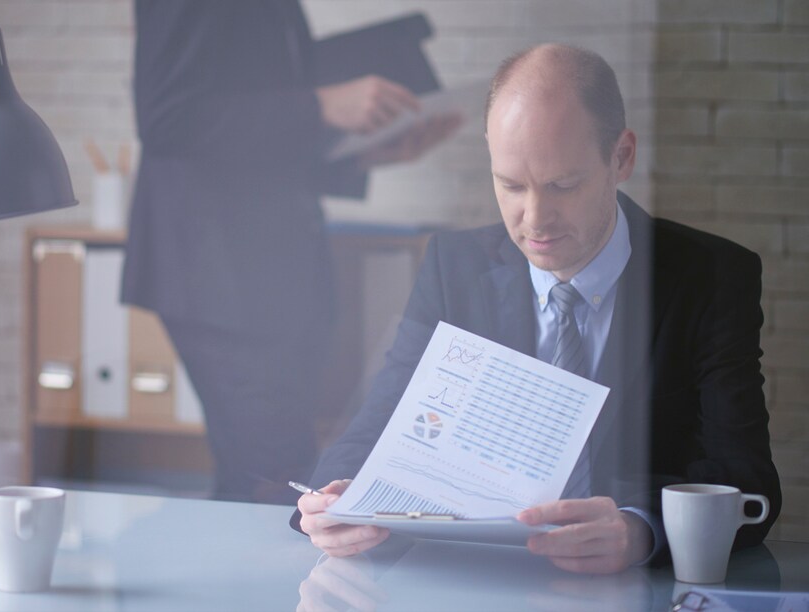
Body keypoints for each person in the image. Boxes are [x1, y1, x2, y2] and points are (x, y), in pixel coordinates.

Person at [295, 43, 781, 573]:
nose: (535, 219)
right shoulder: (453, 267)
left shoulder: (711, 276)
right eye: (510, 185)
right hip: (475, 582)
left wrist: (640, 529)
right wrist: (336, 501)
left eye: (562, 185)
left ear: (621, 157)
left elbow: (748, 483)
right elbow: (372, 433)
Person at [122, 1, 459, 503]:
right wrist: (321, 105)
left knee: (259, 474)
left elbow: (261, 149)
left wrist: (369, 152)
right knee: (277, 479)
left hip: (278, 275)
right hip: (217, 278)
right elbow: (167, 115)